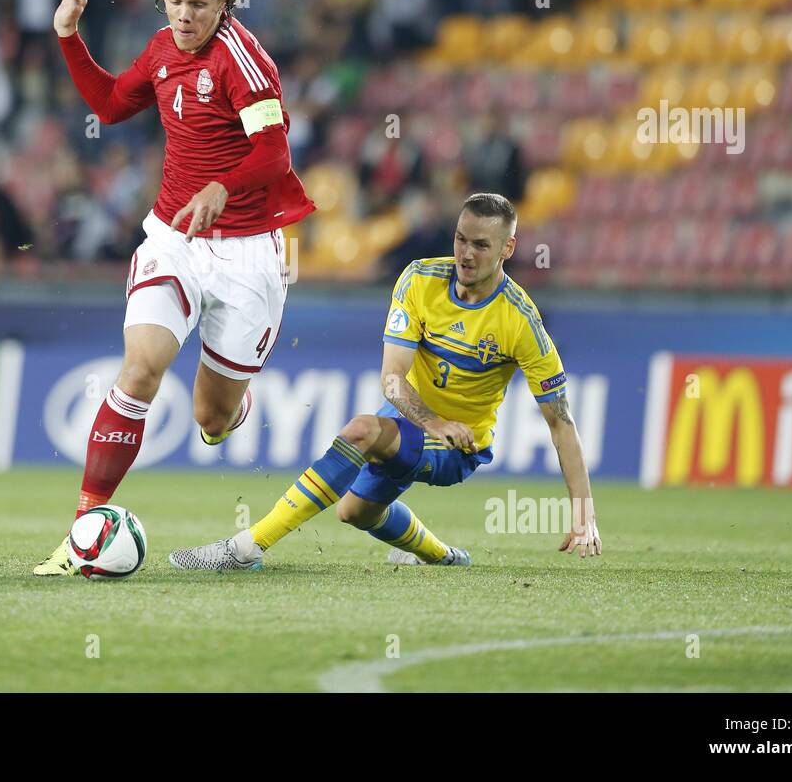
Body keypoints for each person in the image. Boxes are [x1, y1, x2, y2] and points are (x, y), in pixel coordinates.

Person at [33, 0, 316, 575]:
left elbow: (274, 155)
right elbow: (108, 105)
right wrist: (70, 35)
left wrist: (224, 186)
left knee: (211, 421)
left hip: (247, 254)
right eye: (175, 1)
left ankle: (232, 398)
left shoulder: (247, 63)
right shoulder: (162, 49)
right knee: (139, 369)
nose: (184, 15)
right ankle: (82, 530)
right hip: (174, 239)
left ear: (225, 5)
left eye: (199, 3)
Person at [170, 193, 602, 571]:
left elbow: (561, 422)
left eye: (481, 245)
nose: (466, 254)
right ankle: (443, 556)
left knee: (360, 430)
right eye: (460, 239)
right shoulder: (420, 279)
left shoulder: (521, 321)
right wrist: (431, 421)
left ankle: (246, 547)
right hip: (416, 419)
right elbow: (392, 380)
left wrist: (584, 514)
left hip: (460, 445)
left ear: (508, 247)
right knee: (354, 512)